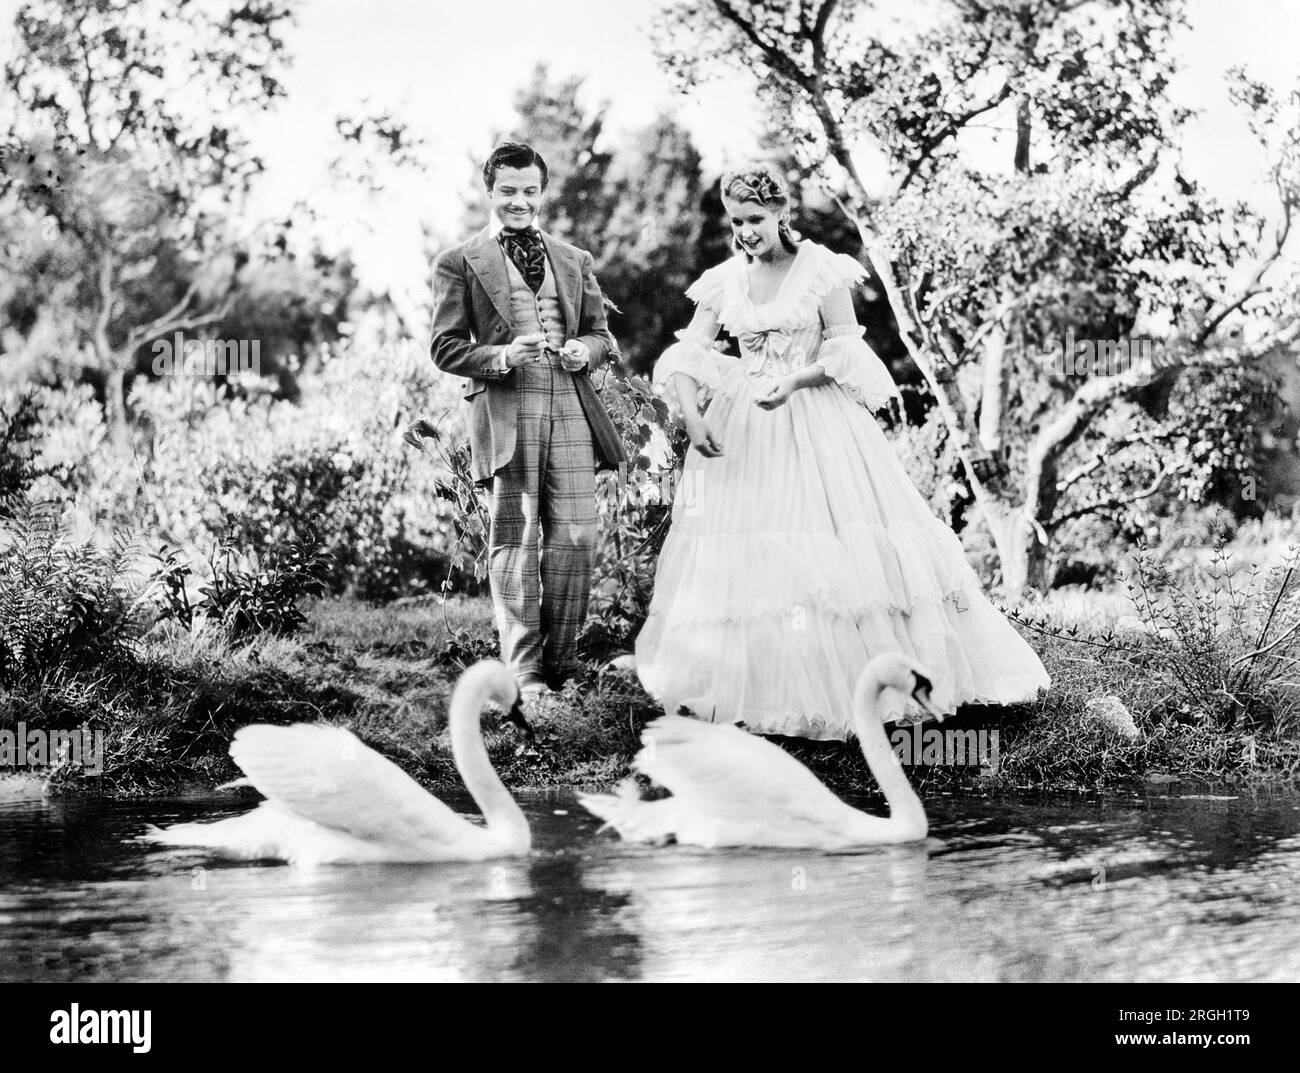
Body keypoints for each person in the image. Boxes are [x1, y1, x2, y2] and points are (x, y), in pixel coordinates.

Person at [634, 165, 1049, 737]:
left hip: (816, 422)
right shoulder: (723, 279)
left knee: (836, 553)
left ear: (782, 214)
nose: (747, 231)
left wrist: (794, 382)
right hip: (744, 431)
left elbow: (846, 352)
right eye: (738, 221)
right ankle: (763, 693)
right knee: (750, 559)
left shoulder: (820, 271)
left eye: (757, 219)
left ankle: (884, 686)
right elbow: (686, 357)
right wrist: (691, 412)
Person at [430, 142, 626, 698]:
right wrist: (500, 357)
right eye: (509, 192)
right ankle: (525, 671)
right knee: (515, 537)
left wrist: (585, 351)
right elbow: (444, 348)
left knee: (576, 533)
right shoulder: (459, 261)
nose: (520, 202)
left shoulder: (574, 259)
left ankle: (563, 664)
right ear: (490, 192)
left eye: (529, 191)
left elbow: (601, 337)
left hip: (570, 405)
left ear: (542, 192)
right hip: (507, 408)